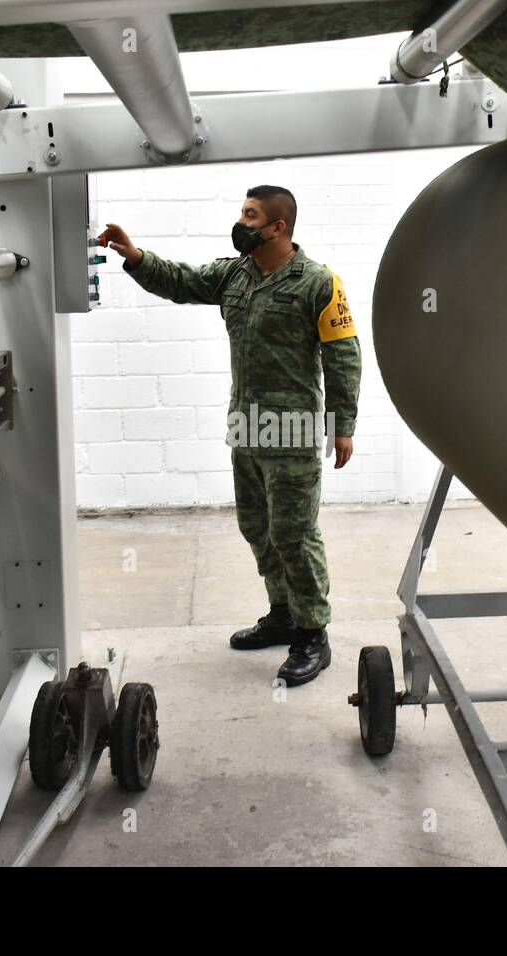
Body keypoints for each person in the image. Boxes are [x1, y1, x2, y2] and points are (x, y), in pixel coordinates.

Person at [99, 185, 361, 686]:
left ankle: (313, 633)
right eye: (242, 213)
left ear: (278, 227)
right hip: (245, 427)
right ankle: (283, 615)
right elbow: (181, 280)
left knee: (294, 533)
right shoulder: (234, 275)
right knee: (257, 528)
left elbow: (343, 355)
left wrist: (342, 424)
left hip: (291, 432)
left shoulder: (318, 283)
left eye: (250, 215)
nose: (241, 223)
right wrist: (135, 256)